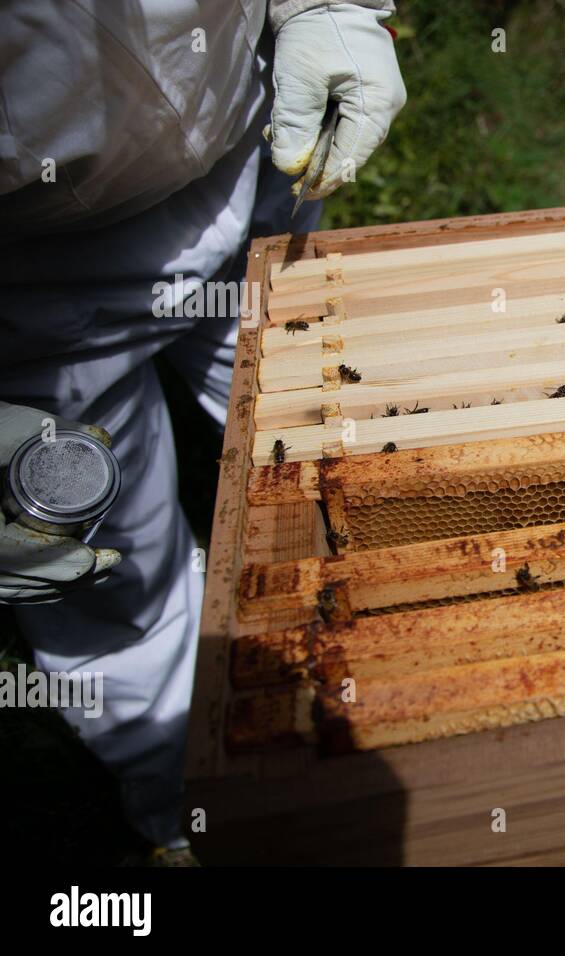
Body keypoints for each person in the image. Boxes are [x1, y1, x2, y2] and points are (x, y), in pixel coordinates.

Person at [0, 1, 406, 858]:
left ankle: (386, 683)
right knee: (118, 584)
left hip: (251, 154)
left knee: (346, 455)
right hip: (28, 280)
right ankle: (194, 806)